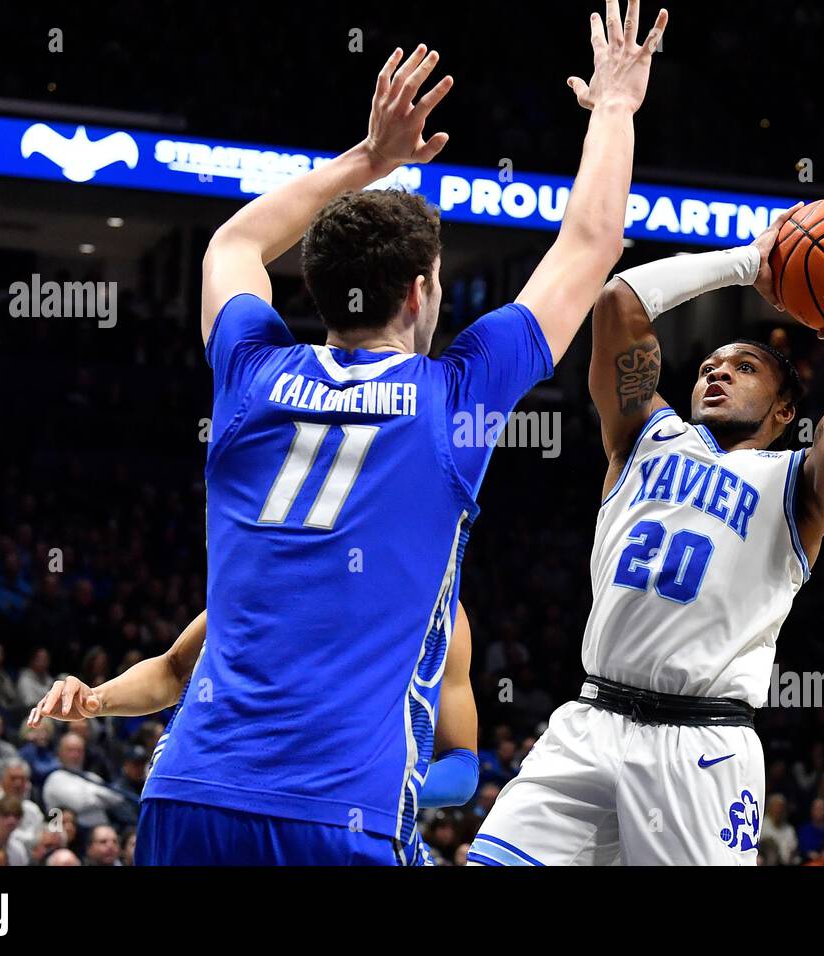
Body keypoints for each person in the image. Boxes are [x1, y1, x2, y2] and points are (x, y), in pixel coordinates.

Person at [102, 3, 666, 867]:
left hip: (187, 795)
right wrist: (617, 108)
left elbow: (235, 240)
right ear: (417, 293)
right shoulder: (455, 400)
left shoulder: (249, 374)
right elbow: (592, 242)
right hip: (335, 813)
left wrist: (371, 160)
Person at [471, 202, 824, 864]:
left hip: (701, 746)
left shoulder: (798, 485)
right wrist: (747, 262)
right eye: (709, 365)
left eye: (743, 367)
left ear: (787, 410)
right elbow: (620, 300)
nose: (716, 371)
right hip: (591, 721)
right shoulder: (644, 435)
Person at [32, 600, 481, 864]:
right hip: (194, 796)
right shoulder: (264, 557)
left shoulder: (442, 611)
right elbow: (172, 670)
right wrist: (96, 699)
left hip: (330, 820)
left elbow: (461, 767)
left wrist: (378, 786)